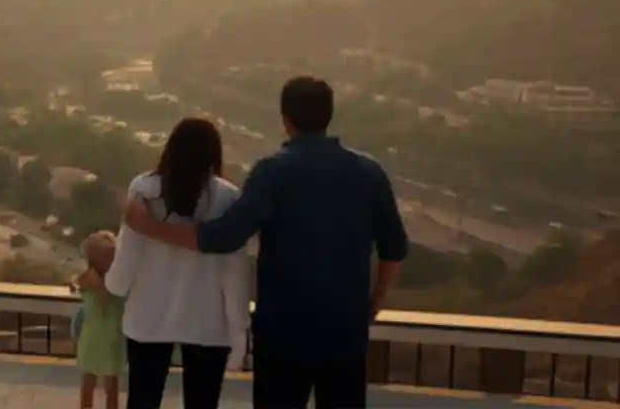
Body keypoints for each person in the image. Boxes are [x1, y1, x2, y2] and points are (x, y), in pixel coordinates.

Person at [124, 77, 409, 409]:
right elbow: (395, 248)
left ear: (286, 118)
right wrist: (372, 304)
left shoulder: (273, 173)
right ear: (329, 114)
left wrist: (147, 226)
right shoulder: (369, 173)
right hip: (344, 330)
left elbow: (223, 236)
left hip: (283, 333)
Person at [87, 118, 250, 409]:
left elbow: (124, 268)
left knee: (142, 400)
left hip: (148, 318)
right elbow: (234, 274)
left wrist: (109, 283)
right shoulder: (228, 197)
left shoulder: (145, 189)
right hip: (207, 323)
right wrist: (239, 333)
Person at [75, 230, 125, 409]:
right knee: (90, 385)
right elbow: (105, 297)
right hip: (98, 337)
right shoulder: (91, 278)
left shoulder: (113, 279)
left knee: (110, 387)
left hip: (110, 337)